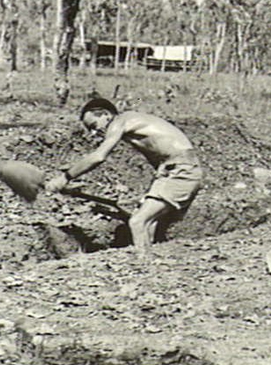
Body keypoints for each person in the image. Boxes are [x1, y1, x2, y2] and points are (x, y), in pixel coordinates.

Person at [46, 98, 203, 256]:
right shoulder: (134, 121)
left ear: (106, 115)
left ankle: (144, 267)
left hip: (181, 171)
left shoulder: (120, 121)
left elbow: (98, 156)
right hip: (177, 169)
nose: (94, 133)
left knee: (137, 222)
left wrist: (65, 177)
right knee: (150, 223)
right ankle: (150, 262)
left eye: (94, 126)